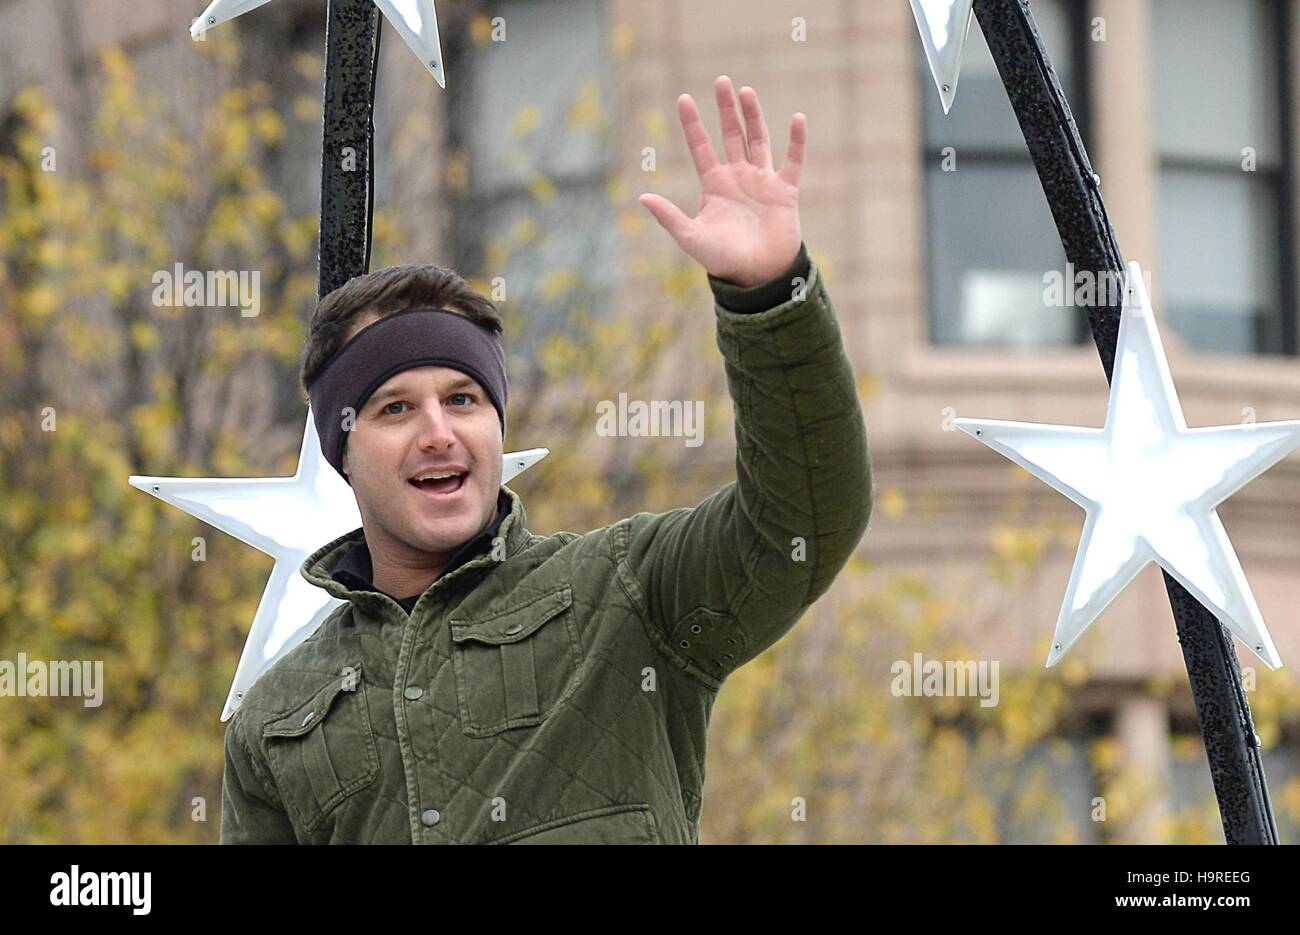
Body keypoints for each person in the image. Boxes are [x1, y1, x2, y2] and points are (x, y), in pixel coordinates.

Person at [220, 75, 872, 844]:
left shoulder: (627, 591)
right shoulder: (273, 720)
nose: (439, 432)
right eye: (397, 408)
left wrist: (766, 298)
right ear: (342, 453)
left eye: (464, 399)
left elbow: (804, 519)